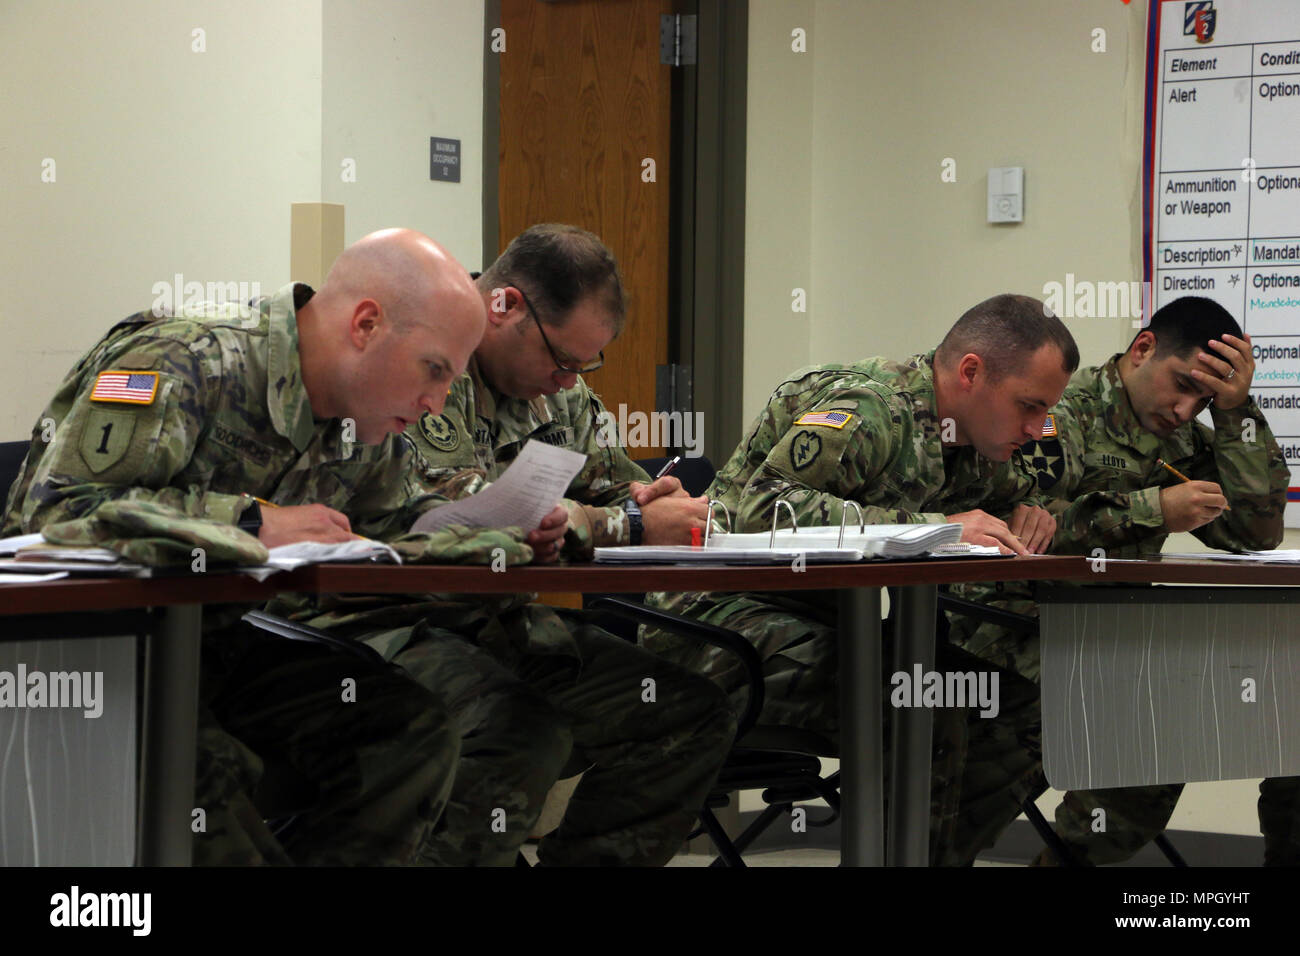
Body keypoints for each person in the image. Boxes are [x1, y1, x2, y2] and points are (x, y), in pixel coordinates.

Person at [2, 228, 537, 865]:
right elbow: (61, 510)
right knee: (200, 769)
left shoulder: (359, 415)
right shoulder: (182, 358)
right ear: (366, 324)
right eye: (434, 369)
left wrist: (521, 530)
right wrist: (254, 522)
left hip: (210, 644)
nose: (436, 402)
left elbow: (400, 517)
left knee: (407, 732)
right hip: (84, 657)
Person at [279, 223, 736, 866]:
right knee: (519, 733)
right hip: (393, 621)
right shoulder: (430, 361)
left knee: (688, 716)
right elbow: (457, 515)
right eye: (561, 360)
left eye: (584, 367)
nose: (567, 382)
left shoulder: (557, 395)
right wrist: (622, 526)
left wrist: (651, 504)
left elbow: (618, 486)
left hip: (497, 621)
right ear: (507, 306)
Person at [643, 293, 1080, 865]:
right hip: (715, 621)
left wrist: (1030, 511)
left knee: (1029, 710)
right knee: (929, 704)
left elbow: (1001, 500)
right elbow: (758, 511)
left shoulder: (975, 441)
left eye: (1045, 410)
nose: (1037, 426)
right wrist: (939, 527)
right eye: (1028, 405)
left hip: (825, 628)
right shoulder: (872, 409)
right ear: (971, 372)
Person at [948, 295, 1295, 865]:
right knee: (1145, 705)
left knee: (1227, 711)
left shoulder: (1183, 442)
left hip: (1112, 634)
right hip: (1011, 621)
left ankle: (1076, 857)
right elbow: (1029, 528)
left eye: (1203, 401)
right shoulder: (1062, 408)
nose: (1185, 410)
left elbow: (1255, 533)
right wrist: (1153, 510)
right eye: (1182, 385)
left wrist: (1237, 413)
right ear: (1142, 349)